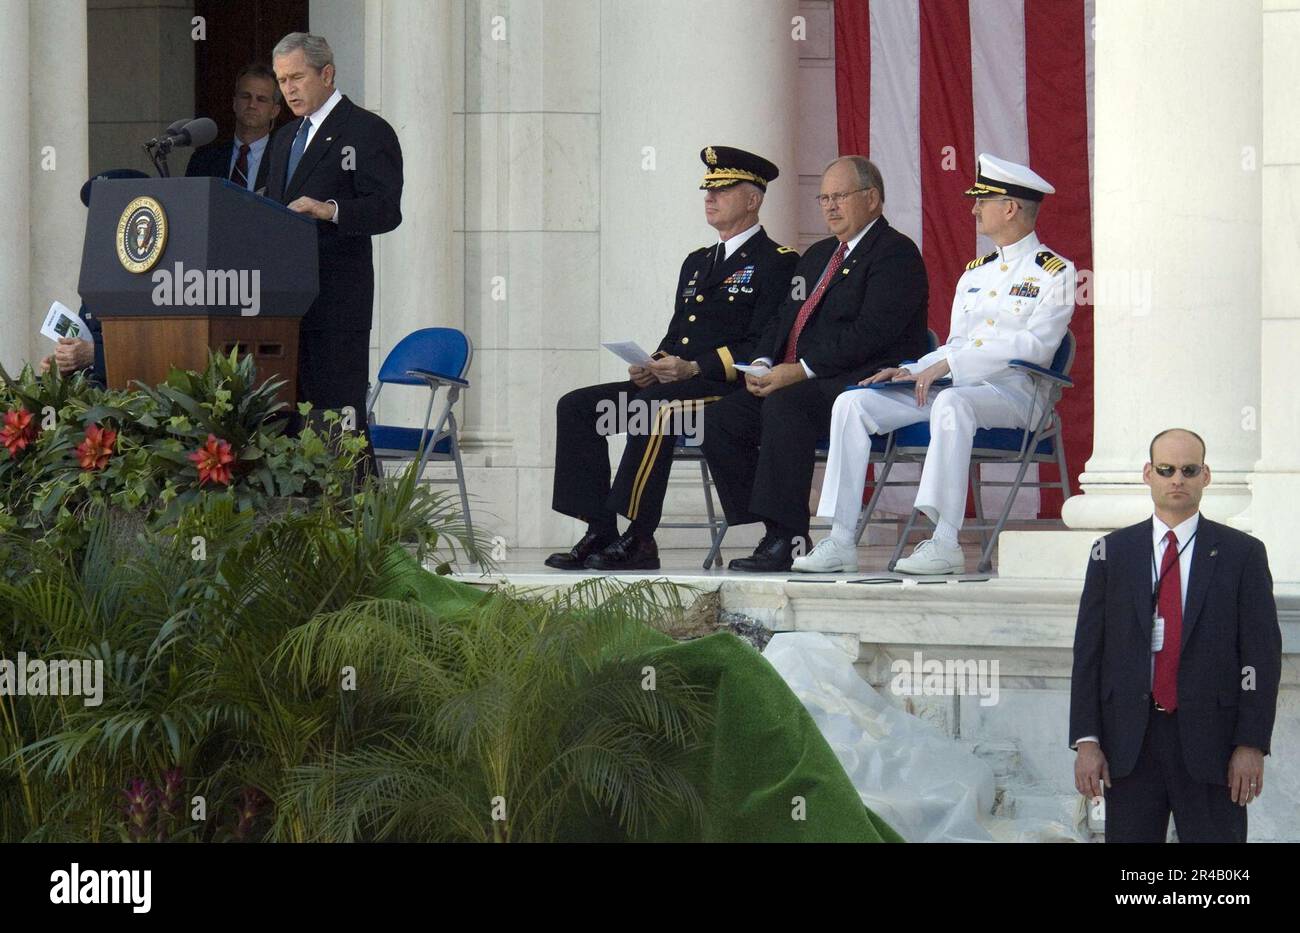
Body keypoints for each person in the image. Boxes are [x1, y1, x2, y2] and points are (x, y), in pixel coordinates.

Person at [793, 153, 1075, 575]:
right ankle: (841, 537)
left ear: (1012, 208)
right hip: (959, 387)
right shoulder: (974, 273)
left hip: (1017, 393)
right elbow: (957, 343)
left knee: (951, 404)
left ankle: (945, 541)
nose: (974, 209)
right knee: (853, 402)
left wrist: (950, 365)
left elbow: (1035, 347)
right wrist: (912, 368)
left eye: (983, 200)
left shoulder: (1055, 272)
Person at [546, 147, 798, 571]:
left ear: (753, 200)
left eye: (723, 189)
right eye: (708, 189)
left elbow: (764, 342)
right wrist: (652, 363)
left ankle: (640, 537)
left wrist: (696, 367)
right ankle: (599, 527)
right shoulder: (697, 262)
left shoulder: (777, 263)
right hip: (675, 382)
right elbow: (680, 332)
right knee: (580, 407)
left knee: (652, 410)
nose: (709, 197)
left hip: (727, 389)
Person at [699, 156, 928, 572]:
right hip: (801, 378)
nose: (829, 206)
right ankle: (769, 524)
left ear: (872, 198)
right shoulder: (819, 255)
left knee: (786, 406)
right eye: (824, 198)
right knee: (723, 417)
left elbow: (870, 334)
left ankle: (787, 537)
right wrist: (764, 361)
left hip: (863, 382)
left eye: (840, 196)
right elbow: (782, 318)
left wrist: (800, 369)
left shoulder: (896, 253)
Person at [1069, 428, 1281, 843]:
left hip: (1215, 747)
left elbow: (1261, 655)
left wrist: (1251, 744)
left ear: (1206, 476)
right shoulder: (1110, 552)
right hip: (1129, 744)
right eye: (1166, 469)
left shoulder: (1242, 554)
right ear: (1148, 473)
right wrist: (1087, 741)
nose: (1177, 479)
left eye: (1189, 469)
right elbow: (1088, 654)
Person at [264, 32, 403, 438]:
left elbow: (386, 209)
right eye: (282, 80)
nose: (288, 89)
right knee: (288, 424)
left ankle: (352, 503)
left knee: (336, 427)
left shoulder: (366, 130)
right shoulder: (285, 137)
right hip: (284, 306)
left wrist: (330, 210)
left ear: (327, 73)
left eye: (297, 77)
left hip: (336, 306)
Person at [39, 169, 150, 386]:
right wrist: (65, 362)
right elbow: (89, 335)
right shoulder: (98, 270)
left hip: (138, 402)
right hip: (96, 394)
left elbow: (165, 347)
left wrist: (94, 355)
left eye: (110, 211)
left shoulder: (159, 269)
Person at [186, 63, 283, 192]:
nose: (252, 105)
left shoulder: (284, 161)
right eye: (245, 96)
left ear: (274, 111)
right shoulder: (203, 159)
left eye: (261, 99)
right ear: (235, 103)